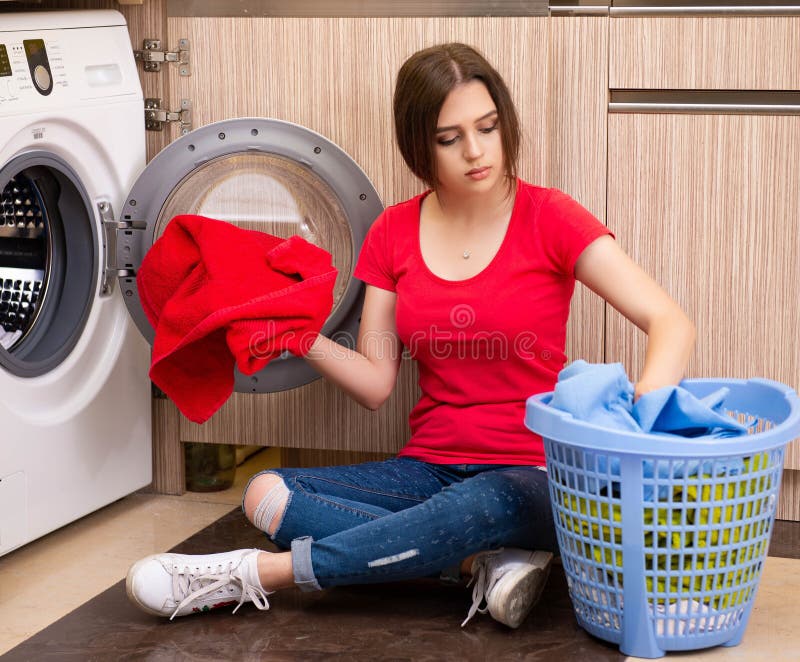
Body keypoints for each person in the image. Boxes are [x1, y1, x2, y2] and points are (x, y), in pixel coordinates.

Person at [125, 43, 696, 628]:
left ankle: (252, 575)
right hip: (429, 467)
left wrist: (636, 429)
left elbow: (669, 322)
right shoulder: (393, 232)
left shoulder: (551, 216)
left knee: (485, 501)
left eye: (488, 127)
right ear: (419, 145)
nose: (476, 151)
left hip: (537, 473)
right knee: (265, 494)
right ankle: (473, 561)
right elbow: (377, 383)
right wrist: (299, 337)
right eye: (450, 138)